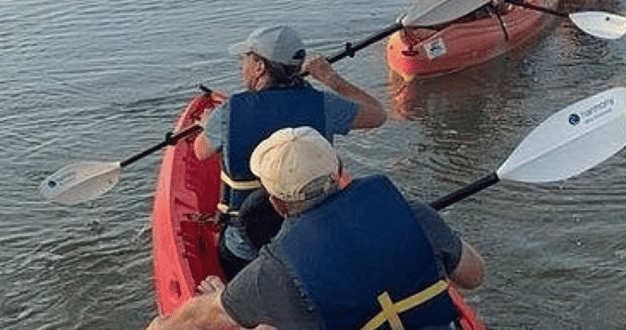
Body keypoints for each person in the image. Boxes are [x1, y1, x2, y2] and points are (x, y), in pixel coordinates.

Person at [145, 126, 485, 330]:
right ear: (339, 168)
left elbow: (195, 318)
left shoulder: (272, 273)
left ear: (276, 202)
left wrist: (211, 302)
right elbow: (473, 276)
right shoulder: (414, 214)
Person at [193, 24, 387, 278]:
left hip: (246, 251)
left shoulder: (228, 113)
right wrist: (329, 77)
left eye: (246, 59)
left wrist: (210, 125)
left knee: (236, 245)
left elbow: (201, 152)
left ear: (260, 67)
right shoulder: (325, 106)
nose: (243, 67)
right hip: (313, 240)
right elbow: (378, 115)